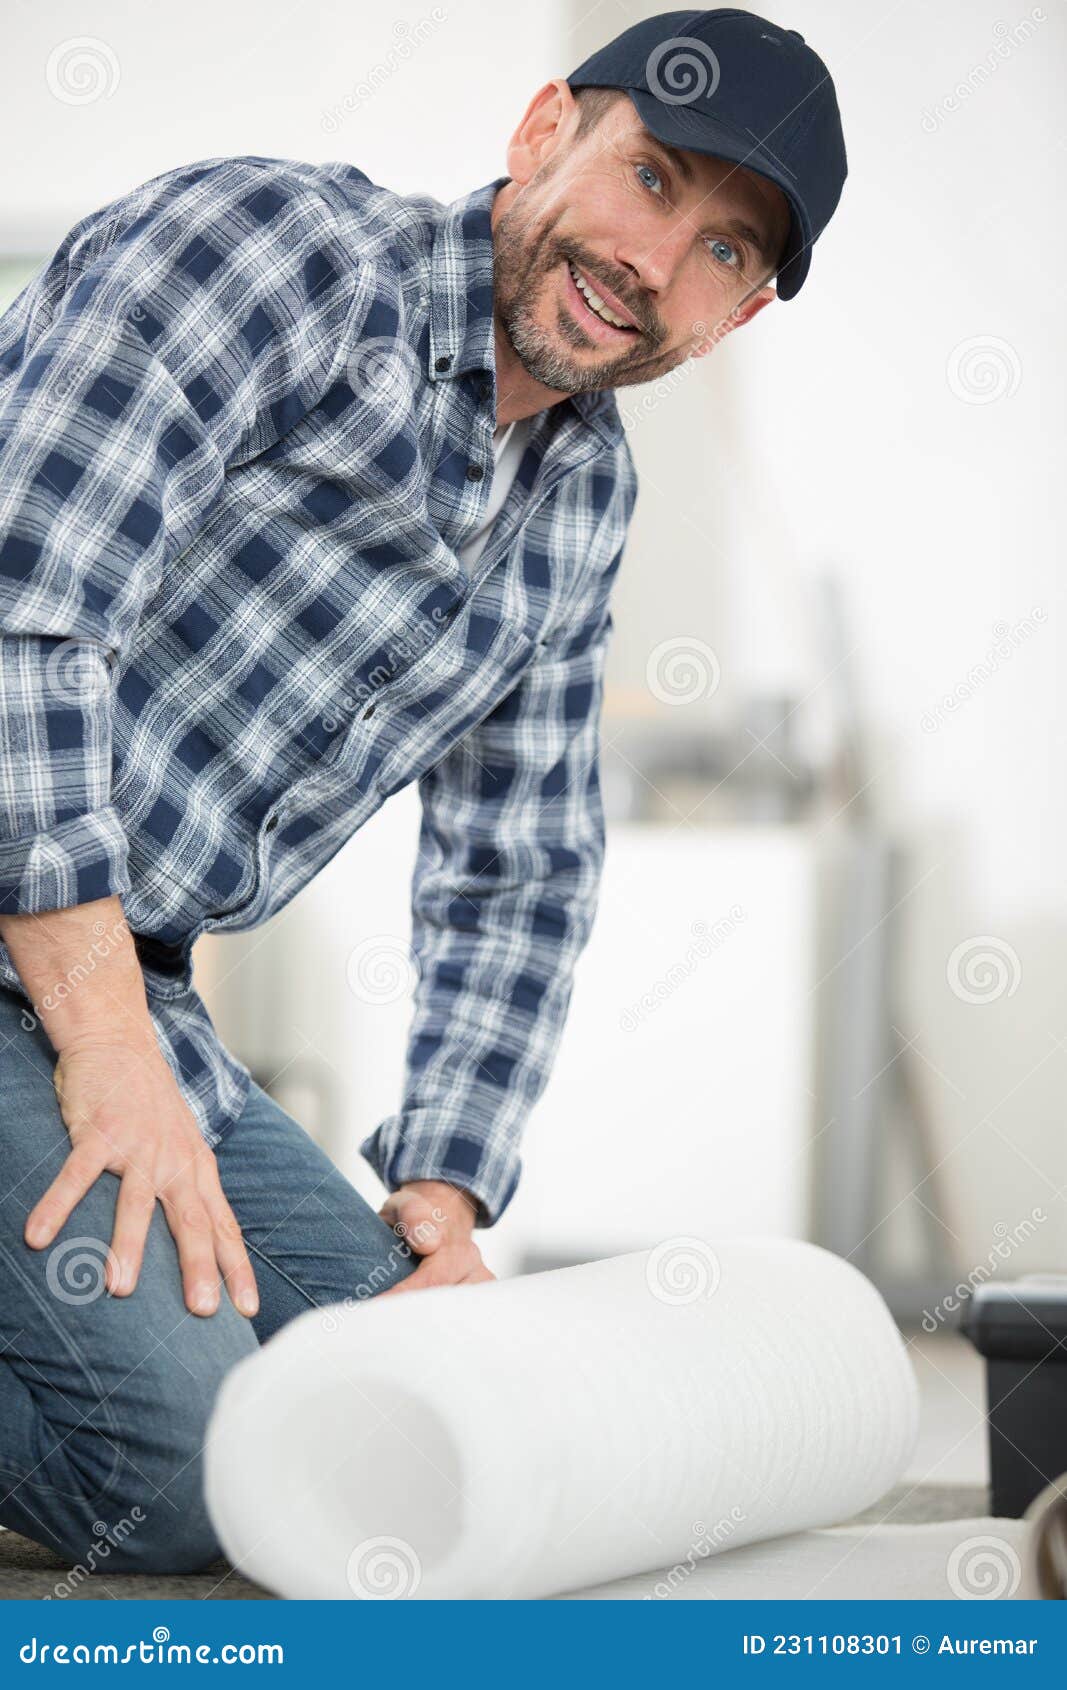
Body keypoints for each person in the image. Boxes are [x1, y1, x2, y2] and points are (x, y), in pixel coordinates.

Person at [0, 10, 847, 1572]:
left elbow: (517, 867)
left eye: (728, 251)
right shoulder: (267, 258)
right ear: (542, 134)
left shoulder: (586, 498)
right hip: (61, 961)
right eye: (652, 178)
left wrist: (443, 1189)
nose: (659, 262)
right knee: (193, 1474)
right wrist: (109, 1050)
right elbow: (23, 620)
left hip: (117, 981)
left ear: (738, 317)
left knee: (372, 1395)